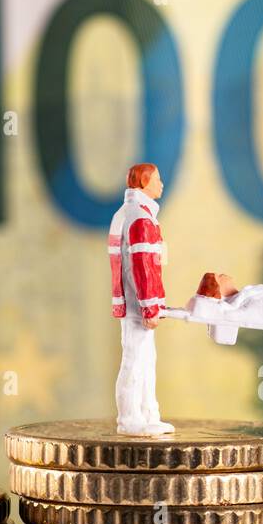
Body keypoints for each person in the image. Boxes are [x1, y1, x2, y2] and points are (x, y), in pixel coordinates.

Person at [108, 163, 173, 435]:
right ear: (145, 183)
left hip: (136, 302)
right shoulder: (140, 218)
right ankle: (130, 418)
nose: (161, 183)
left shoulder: (130, 213)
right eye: (157, 179)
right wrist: (150, 306)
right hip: (139, 305)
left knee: (145, 358)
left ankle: (148, 413)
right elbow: (142, 265)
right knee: (135, 359)